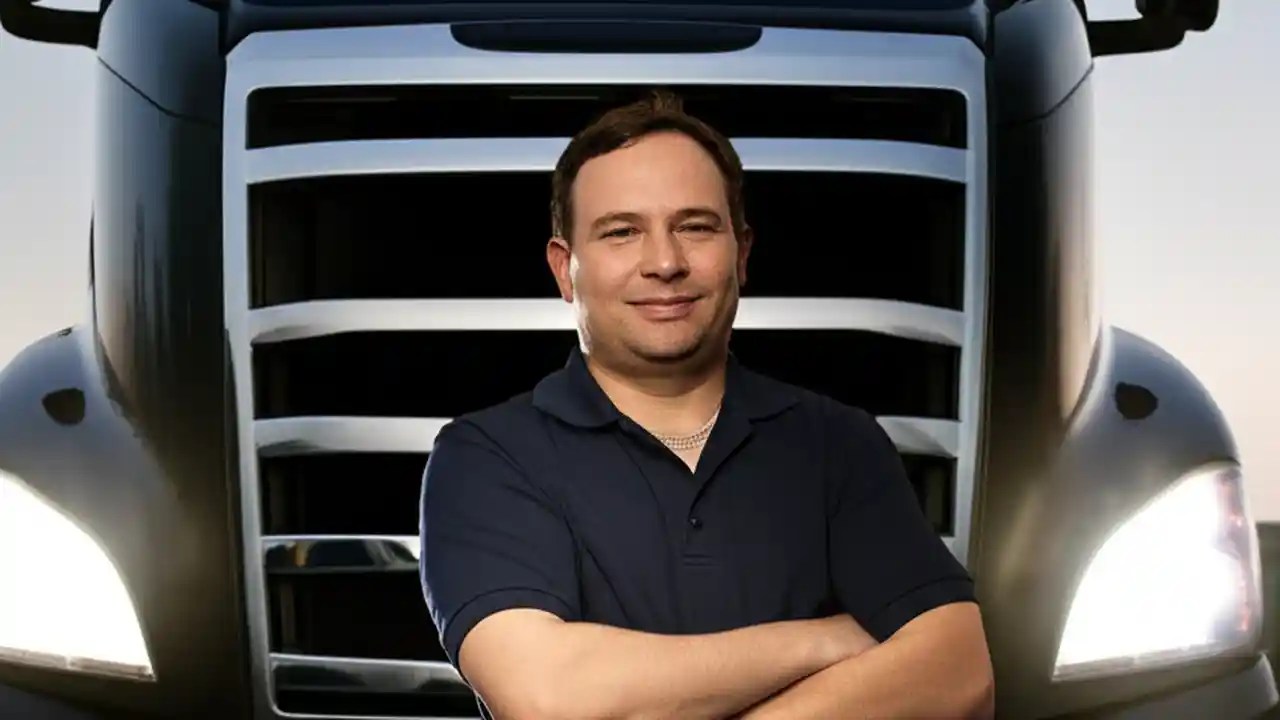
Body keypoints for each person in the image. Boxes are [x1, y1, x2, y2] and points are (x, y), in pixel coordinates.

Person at [419, 88, 994, 720]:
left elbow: (959, 673)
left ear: (741, 254)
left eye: (695, 227)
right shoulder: (487, 456)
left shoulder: (836, 442)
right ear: (564, 269)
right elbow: (550, 697)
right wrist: (824, 641)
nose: (665, 262)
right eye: (621, 232)